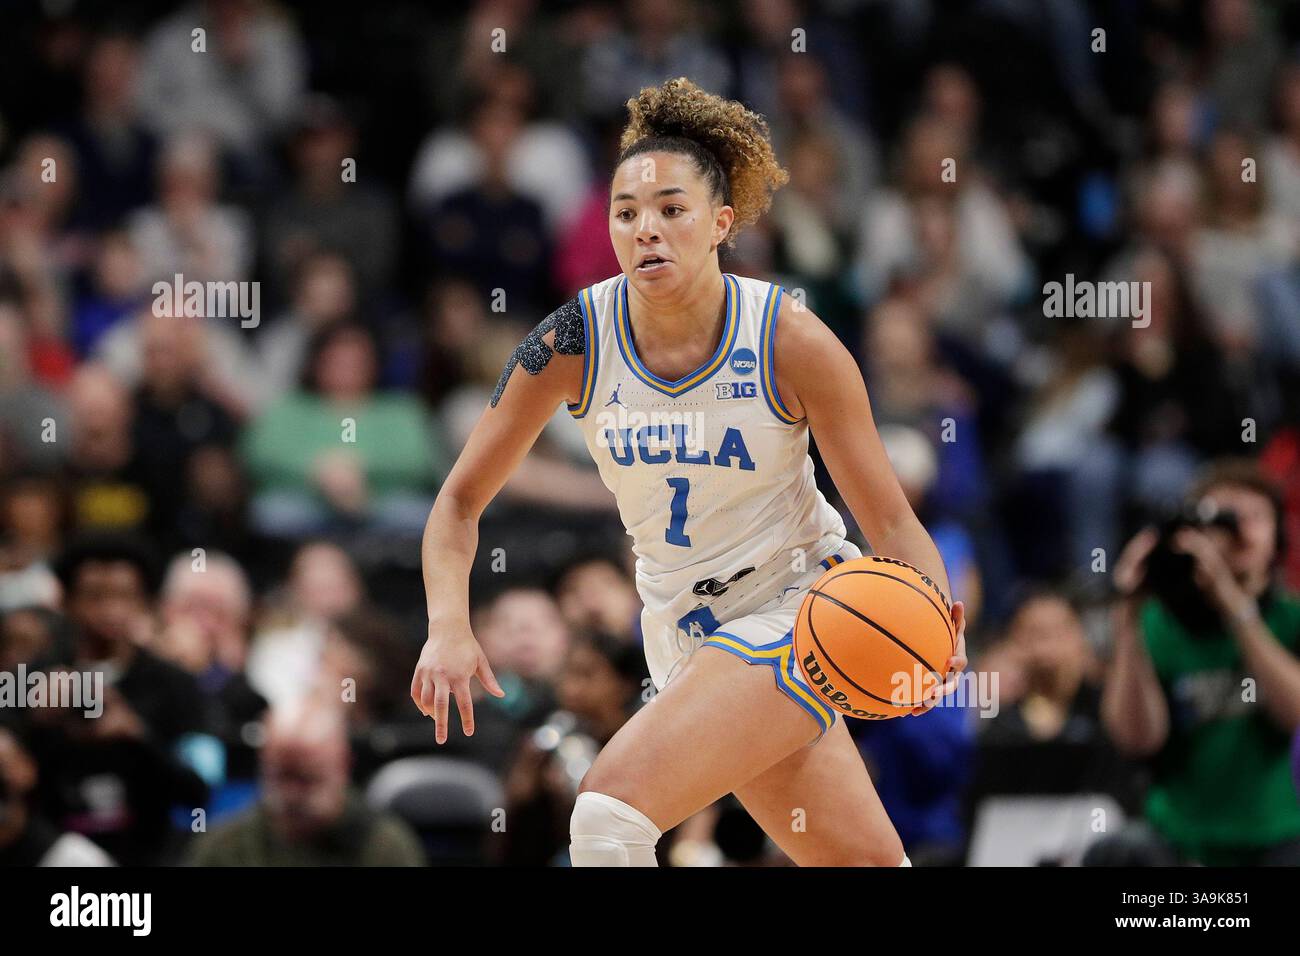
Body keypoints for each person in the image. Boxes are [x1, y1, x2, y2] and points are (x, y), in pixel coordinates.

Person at [411, 78, 966, 867]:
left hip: (794, 608)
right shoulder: (572, 341)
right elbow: (459, 501)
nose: (647, 231)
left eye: (672, 210)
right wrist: (447, 627)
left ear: (720, 224)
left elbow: (890, 519)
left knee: (607, 814)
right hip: (681, 636)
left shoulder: (790, 340)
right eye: (627, 213)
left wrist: (937, 616)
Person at [1100, 459, 1300, 865]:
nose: (1240, 531)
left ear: (1278, 536)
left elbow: (1295, 714)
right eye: (1224, 517)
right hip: (1178, 834)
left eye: (1255, 517)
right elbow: (1137, 740)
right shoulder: (1160, 623)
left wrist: (1234, 606)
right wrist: (1127, 620)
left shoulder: (1289, 617)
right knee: (1112, 853)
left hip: (1275, 834)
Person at [187, 702, 424, 867]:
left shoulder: (383, 848)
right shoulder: (224, 849)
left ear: (343, 765)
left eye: (307, 779)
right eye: (281, 776)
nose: (291, 794)